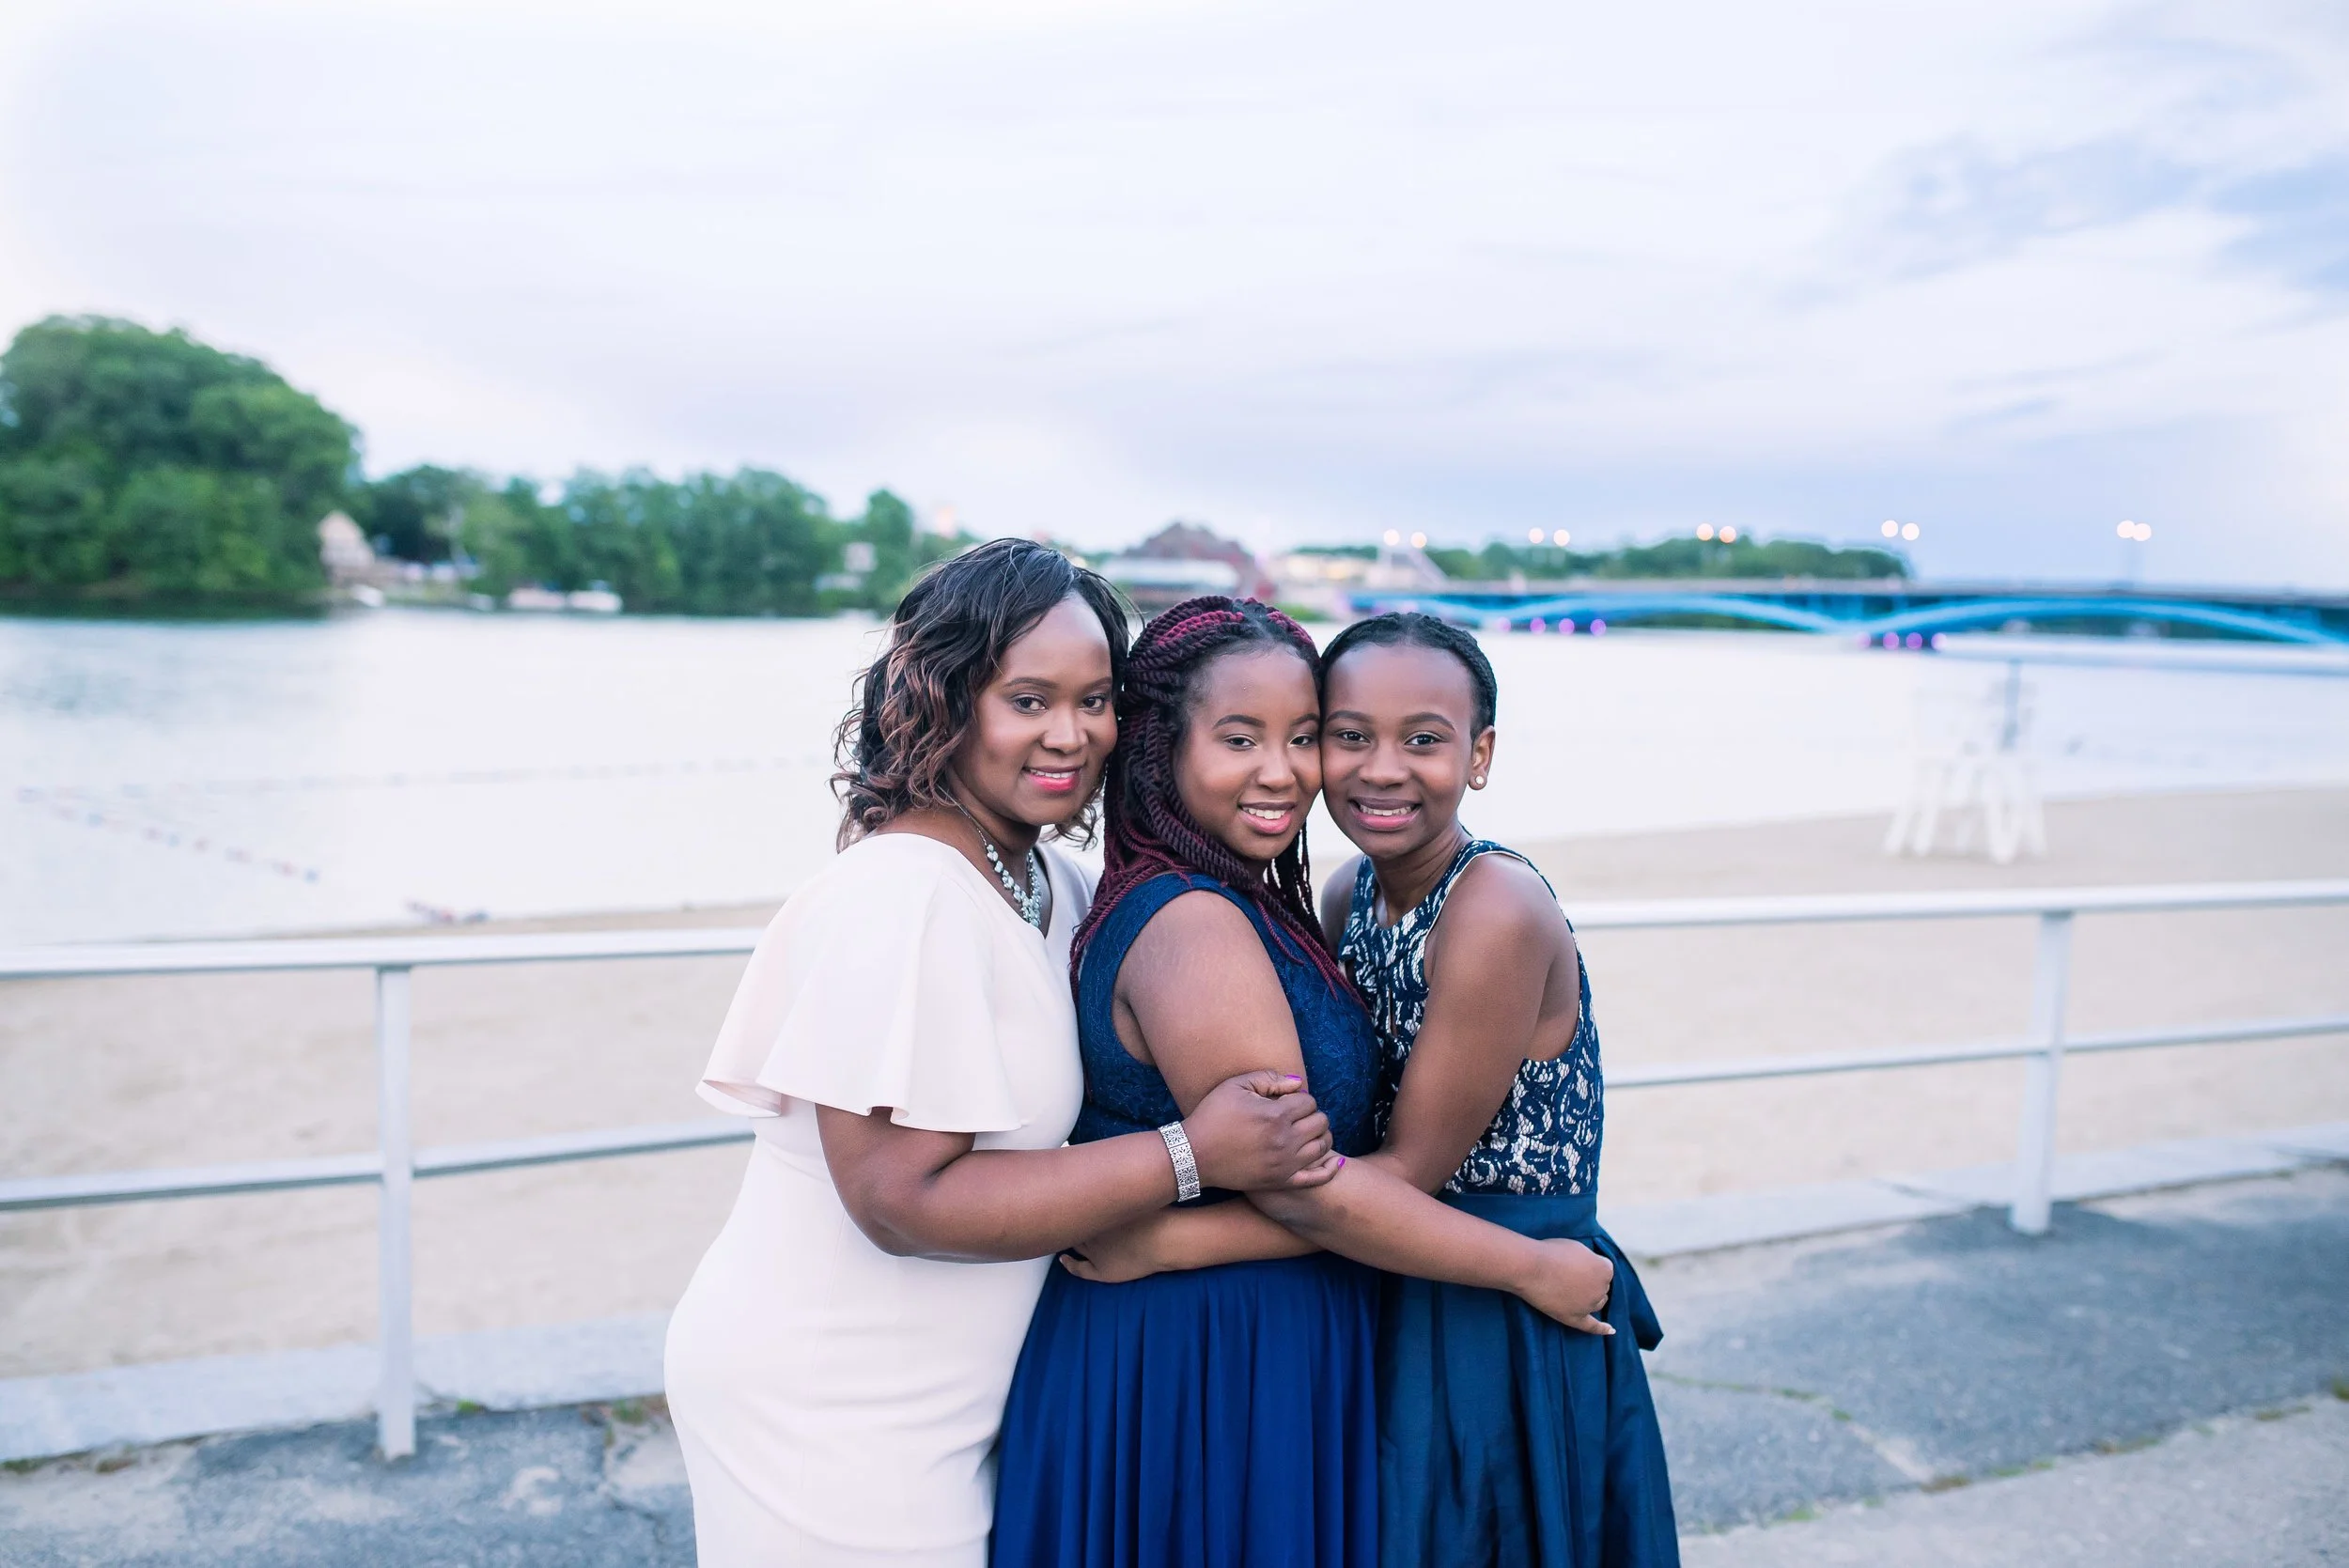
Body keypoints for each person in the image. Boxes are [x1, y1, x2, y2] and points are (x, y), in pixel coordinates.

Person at [664, 544, 1343, 1568]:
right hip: (834, 1394)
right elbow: (899, 1197)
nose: (1069, 735)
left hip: (968, 1391)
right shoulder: (904, 891)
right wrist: (1189, 1155)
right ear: (941, 699)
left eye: (1094, 699)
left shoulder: (1050, 884)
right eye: (1027, 700)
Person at [989, 598, 1617, 1568]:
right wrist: (1170, 1243)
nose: (1286, 770)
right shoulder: (1226, 915)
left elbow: (1370, 1166)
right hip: (1224, 1349)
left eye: (1302, 736)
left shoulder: (1331, 898)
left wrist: (1173, 1240)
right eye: (1242, 737)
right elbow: (1309, 1174)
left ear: (1478, 755)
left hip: (1441, 1294)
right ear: (1159, 748)